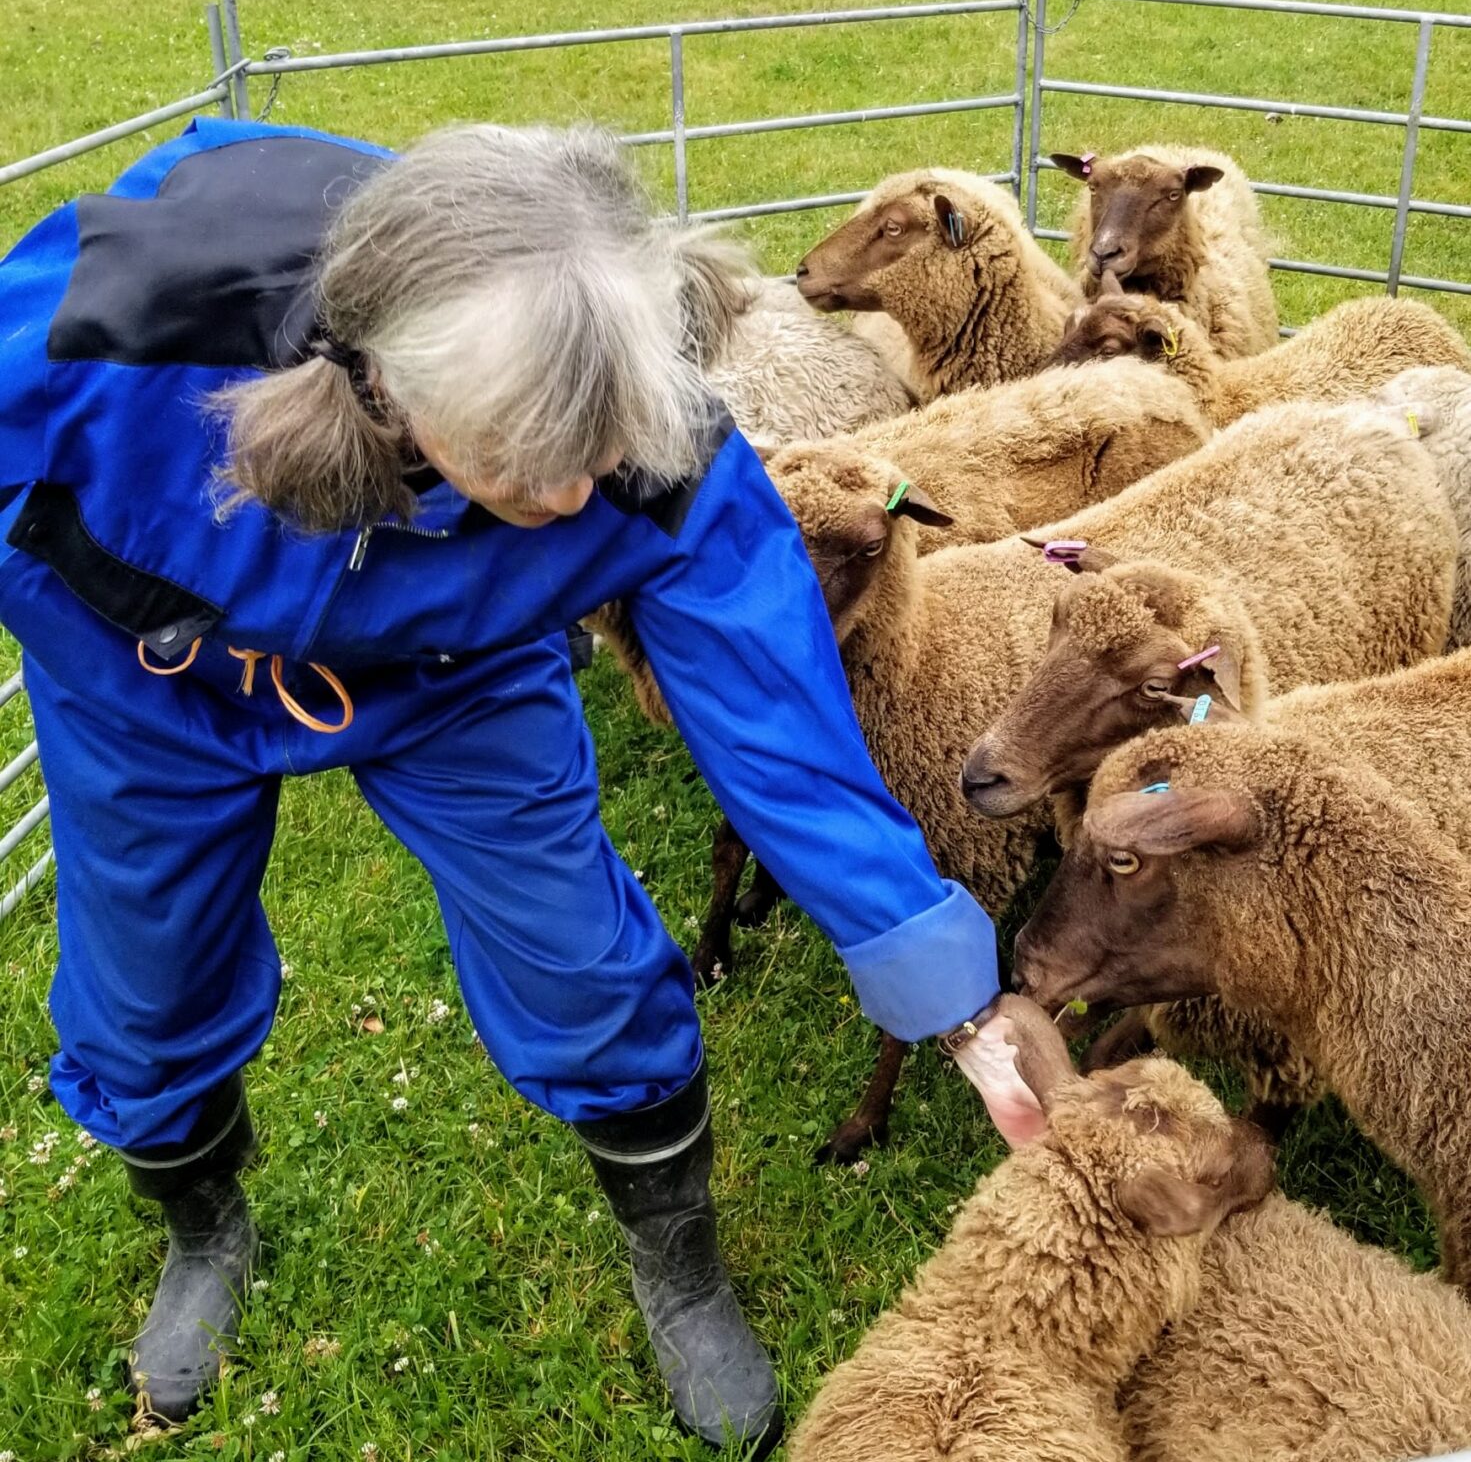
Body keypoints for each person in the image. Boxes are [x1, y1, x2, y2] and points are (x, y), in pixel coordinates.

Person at [0, 117, 1001, 1450]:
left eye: (602, 446)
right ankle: (203, 1227)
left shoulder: (641, 429)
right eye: (533, 454)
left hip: (451, 669)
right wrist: (112, 615)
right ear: (384, 382)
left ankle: (679, 1265)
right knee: (144, 981)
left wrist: (942, 980)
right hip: (150, 669)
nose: (579, 492)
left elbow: (775, 709)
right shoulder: (100, 337)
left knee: (580, 956)